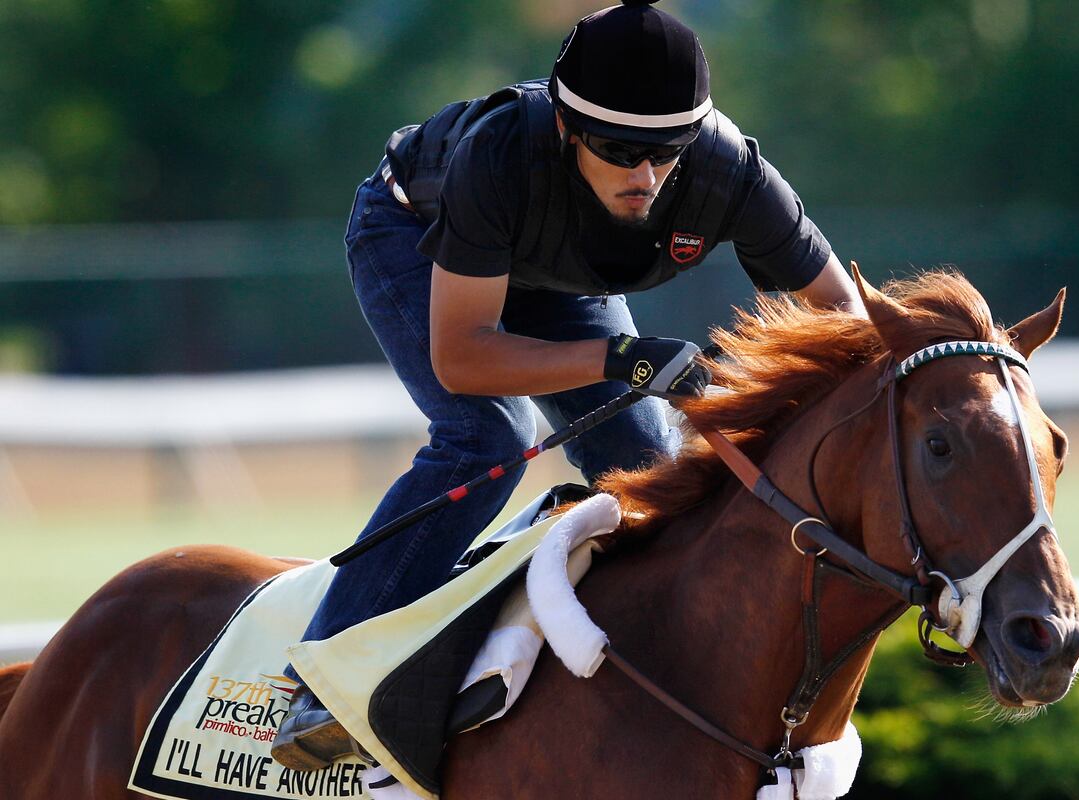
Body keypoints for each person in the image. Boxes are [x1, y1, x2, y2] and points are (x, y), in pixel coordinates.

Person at [272, 0, 866, 771]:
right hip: (415, 235)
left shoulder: (730, 170)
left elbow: (848, 320)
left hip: (555, 274)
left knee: (649, 468)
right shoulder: (498, 155)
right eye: (621, 150)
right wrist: (618, 358)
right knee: (487, 438)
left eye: (670, 150)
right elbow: (464, 360)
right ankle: (321, 679)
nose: (647, 176)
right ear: (565, 128)